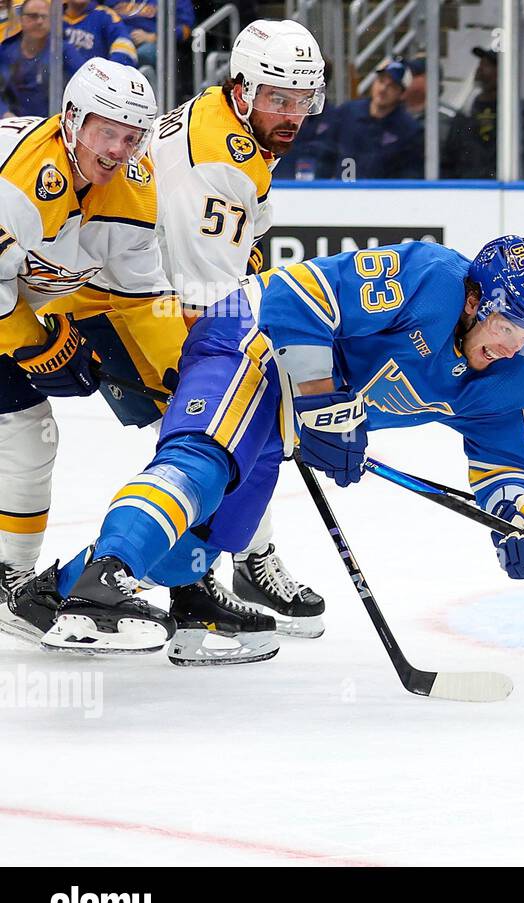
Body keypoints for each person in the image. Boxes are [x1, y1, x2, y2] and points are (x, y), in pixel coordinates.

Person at [27, 236, 524, 654]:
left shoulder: (510, 379)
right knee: (202, 464)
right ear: (474, 300)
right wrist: (321, 404)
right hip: (250, 341)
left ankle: (51, 594)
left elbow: (506, 469)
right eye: (508, 325)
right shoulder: (429, 278)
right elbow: (296, 296)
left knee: (197, 550)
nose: (514, 346)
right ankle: (105, 579)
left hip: (284, 416)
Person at [150, 18, 331, 638]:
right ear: (244, 89)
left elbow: (225, 262)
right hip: (135, 303)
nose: (292, 115)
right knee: (210, 435)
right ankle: (189, 583)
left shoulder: (231, 124)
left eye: (303, 101)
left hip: (160, 288)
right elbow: (209, 298)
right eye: (280, 99)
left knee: (242, 424)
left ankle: (249, 559)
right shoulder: (219, 166)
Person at [0, 59, 185, 642]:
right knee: (26, 428)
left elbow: (138, 297)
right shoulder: (27, 177)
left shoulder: (132, 188)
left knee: (30, 434)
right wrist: (37, 343)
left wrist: (182, 380)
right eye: (108, 132)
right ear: (73, 120)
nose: (118, 150)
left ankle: (11, 580)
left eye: (132, 137)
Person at [442, 46, 524, 181]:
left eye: (488, 65)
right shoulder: (465, 116)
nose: (480, 70)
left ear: (503, 73)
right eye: (480, 64)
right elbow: (447, 163)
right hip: (469, 196)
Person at [332, 58, 424, 180]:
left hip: (383, 195)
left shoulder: (409, 129)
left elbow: (410, 173)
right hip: (340, 192)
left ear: (402, 94)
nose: (383, 89)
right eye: (381, 81)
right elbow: (327, 149)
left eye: (392, 86)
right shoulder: (348, 112)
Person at [0, 0, 87, 117]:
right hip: (13, 128)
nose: (40, 21)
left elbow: (85, 80)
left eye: (44, 16)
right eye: (33, 16)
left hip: (51, 127)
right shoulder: (6, 51)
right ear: (21, 19)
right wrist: (4, 114)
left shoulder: (62, 50)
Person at [109, 0, 193, 71]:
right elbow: (103, 14)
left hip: (153, 43)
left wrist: (154, 37)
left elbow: (185, 30)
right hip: (119, 39)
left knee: (144, 53)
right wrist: (123, 35)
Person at [63, 0, 137, 65]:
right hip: (56, 78)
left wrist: (110, 72)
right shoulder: (53, 15)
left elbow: (126, 49)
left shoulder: (105, 15)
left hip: (94, 78)